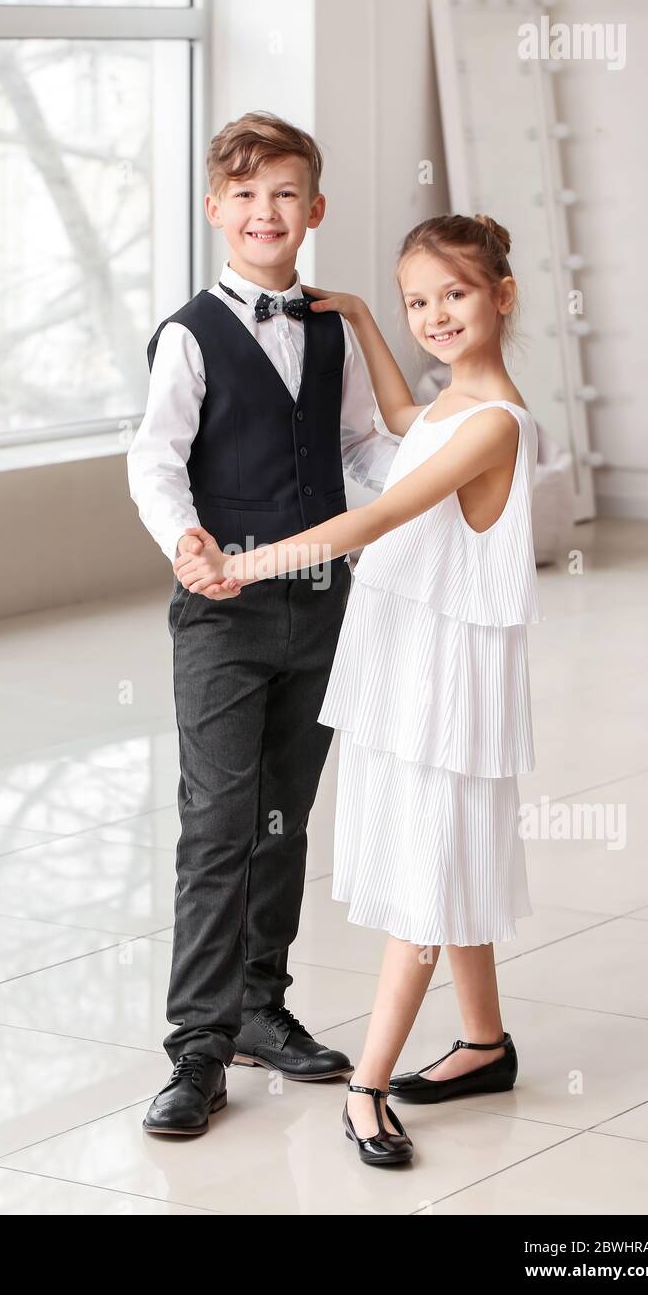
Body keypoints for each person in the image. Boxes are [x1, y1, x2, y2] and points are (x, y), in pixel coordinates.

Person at [175, 213, 540, 1166]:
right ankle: (485, 1044)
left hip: (445, 683)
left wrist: (245, 569)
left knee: (430, 869)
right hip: (416, 660)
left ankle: (370, 1088)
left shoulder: (494, 423)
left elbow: (373, 512)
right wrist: (374, 323)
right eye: (421, 301)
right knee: (449, 850)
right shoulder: (453, 412)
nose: (436, 316)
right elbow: (397, 425)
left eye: (454, 295)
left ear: (502, 295)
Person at [127, 110, 401, 1136]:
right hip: (223, 613)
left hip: (324, 607)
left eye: (283, 193)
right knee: (218, 823)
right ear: (214, 210)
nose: (263, 211)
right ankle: (196, 1044)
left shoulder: (327, 326)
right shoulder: (189, 335)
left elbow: (360, 453)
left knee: (283, 812)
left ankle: (258, 1001)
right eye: (242, 195)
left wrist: (443, 476)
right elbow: (153, 457)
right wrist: (183, 538)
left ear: (314, 209)